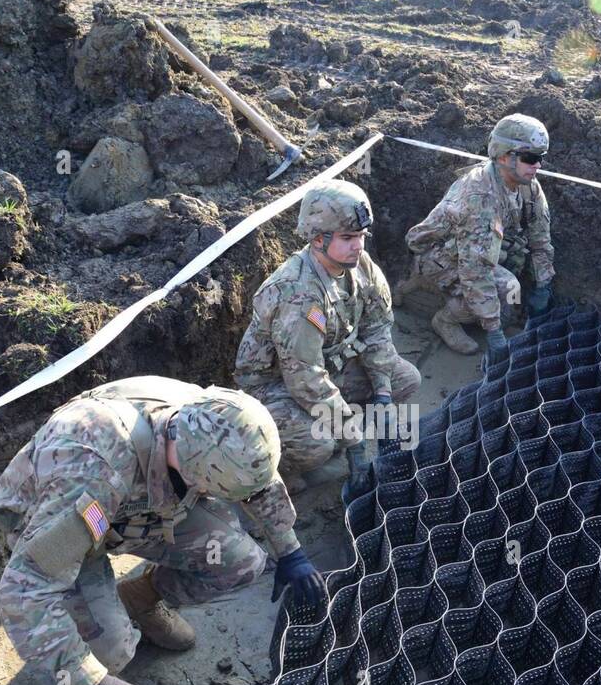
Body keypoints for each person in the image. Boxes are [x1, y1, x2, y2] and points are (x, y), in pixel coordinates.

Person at [0, 376, 326, 685]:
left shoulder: (217, 420)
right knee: (113, 654)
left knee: (241, 563)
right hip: (68, 525)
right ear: (198, 473)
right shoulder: (93, 468)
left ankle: (139, 599)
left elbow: (260, 482)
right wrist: (93, 684)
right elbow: (24, 590)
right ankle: (95, 644)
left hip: (139, 511)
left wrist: (290, 551)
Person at [234, 179, 420, 494]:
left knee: (405, 379)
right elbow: (305, 378)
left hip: (331, 365)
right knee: (319, 444)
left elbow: (376, 329)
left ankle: (338, 421)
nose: (358, 245)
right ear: (319, 240)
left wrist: (384, 395)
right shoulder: (297, 294)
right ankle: (279, 462)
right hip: (275, 385)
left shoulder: (359, 265)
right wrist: (353, 439)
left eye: (361, 236)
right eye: (348, 238)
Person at [400, 113, 556, 355]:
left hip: (473, 250)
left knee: (512, 272)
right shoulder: (480, 198)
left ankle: (423, 285)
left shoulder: (528, 185)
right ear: (504, 156)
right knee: (507, 290)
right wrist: (494, 330)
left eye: (540, 158)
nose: (538, 165)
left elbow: (540, 236)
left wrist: (543, 284)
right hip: (437, 253)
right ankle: (446, 318)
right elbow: (475, 271)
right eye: (530, 158)